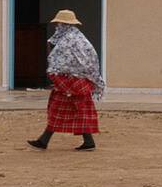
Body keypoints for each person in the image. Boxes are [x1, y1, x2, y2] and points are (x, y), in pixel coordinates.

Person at [28, 9, 105, 151]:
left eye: (59, 23)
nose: (57, 26)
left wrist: (57, 74)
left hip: (70, 81)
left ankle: (44, 141)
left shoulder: (67, 41)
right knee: (79, 111)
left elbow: (59, 61)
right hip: (79, 82)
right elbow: (90, 59)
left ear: (63, 24)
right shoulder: (79, 38)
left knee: (60, 110)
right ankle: (46, 140)